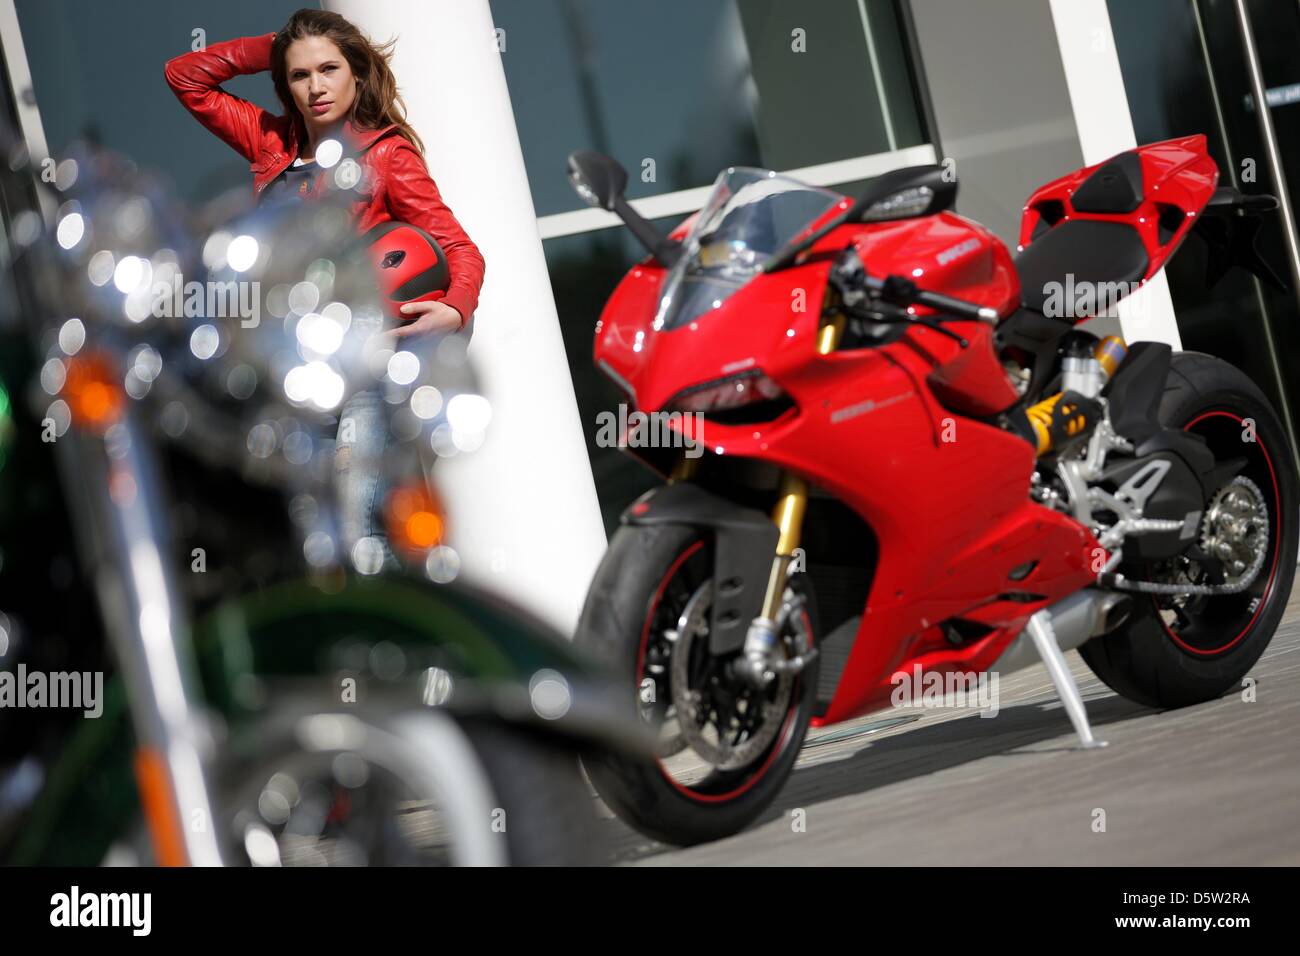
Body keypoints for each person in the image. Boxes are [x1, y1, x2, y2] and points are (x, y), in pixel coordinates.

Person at [164, 8, 484, 565]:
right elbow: (185, 75)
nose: (316, 87)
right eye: (299, 75)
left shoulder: (387, 153)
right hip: (288, 377)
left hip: (362, 371)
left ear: (356, 74)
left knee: (363, 526)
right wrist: (278, 46)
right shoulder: (271, 143)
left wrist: (453, 311)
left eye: (329, 69)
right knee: (315, 540)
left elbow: (460, 248)